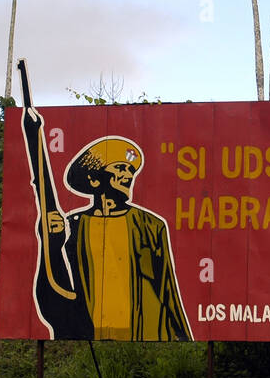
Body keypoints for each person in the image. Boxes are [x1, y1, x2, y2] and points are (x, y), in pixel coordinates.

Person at [32, 134, 192, 341]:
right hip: (90, 330)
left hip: (145, 332)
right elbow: (54, 294)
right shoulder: (72, 225)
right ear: (94, 178)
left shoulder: (150, 225)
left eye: (131, 170)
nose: (128, 175)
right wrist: (50, 244)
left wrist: (183, 336)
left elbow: (168, 291)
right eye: (120, 168)